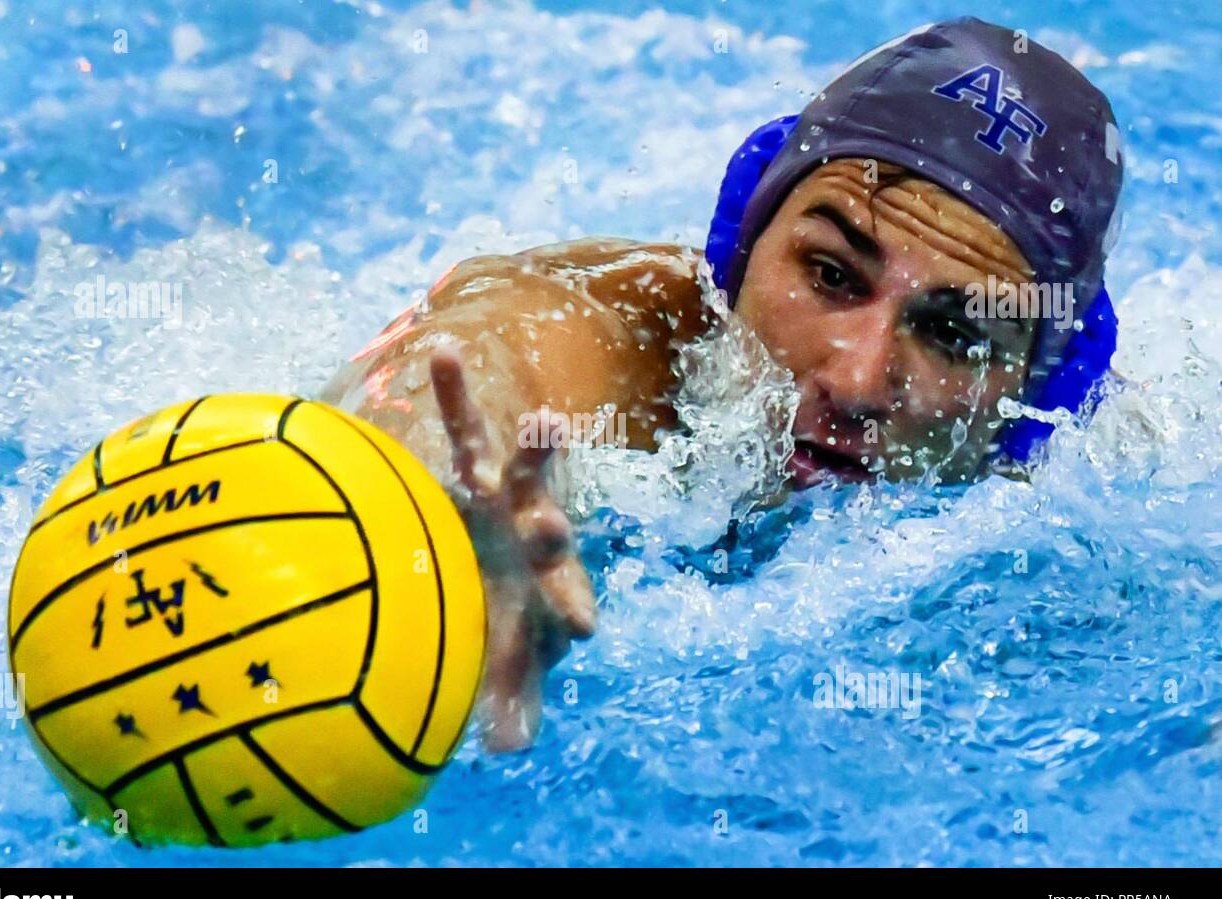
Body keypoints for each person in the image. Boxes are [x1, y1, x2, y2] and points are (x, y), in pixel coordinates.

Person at [320, 17, 1124, 752]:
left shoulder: (1099, 509)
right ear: (741, 245)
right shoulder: (625, 332)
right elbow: (462, 362)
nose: (855, 381)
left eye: (955, 333)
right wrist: (448, 496)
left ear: (1037, 400)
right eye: (831, 274)